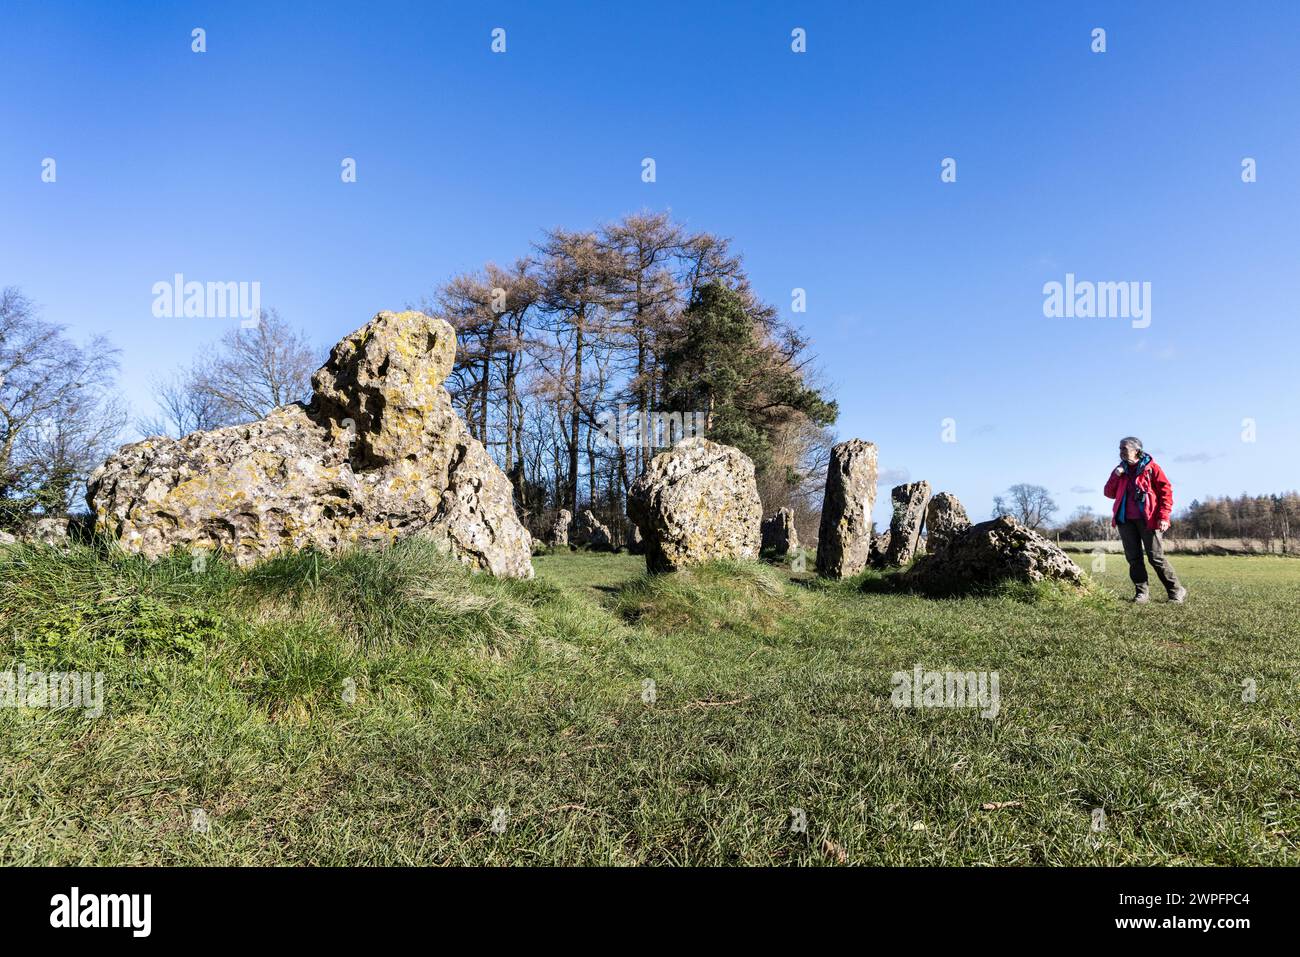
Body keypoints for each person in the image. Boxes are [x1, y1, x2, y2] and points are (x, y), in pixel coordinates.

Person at [1103, 437, 1186, 604]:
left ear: (1137, 451)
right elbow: (1108, 493)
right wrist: (1116, 476)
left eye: (1124, 449)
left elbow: (1166, 492)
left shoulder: (1152, 468)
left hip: (1149, 520)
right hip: (1125, 520)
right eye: (1120, 449)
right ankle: (1141, 593)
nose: (1121, 452)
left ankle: (1176, 591)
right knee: (1134, 558)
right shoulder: (1120, 470)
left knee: (1155, 557)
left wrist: (1164, 516)